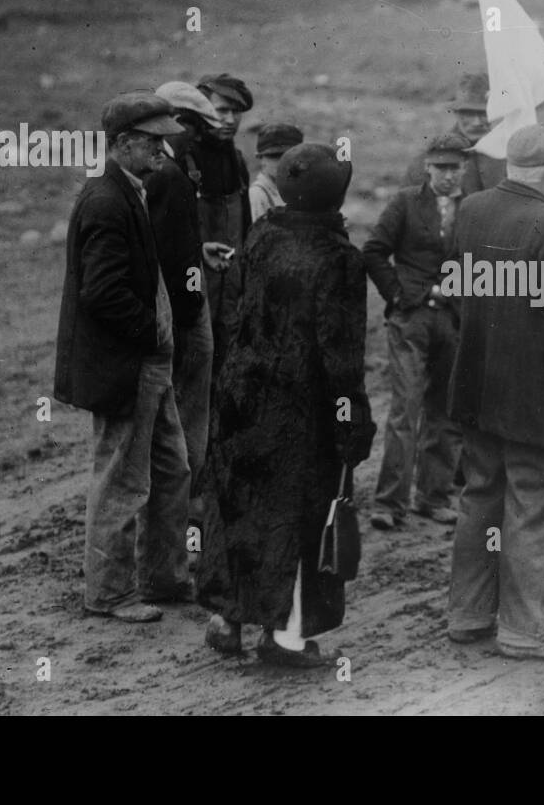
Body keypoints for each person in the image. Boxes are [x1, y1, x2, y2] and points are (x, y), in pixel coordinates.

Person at [196, 142, 376, 667]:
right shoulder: (339, 259)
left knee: (237, 508)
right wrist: (352, 425)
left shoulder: (263, 234)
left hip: (241, 396)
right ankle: (284, 639)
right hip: (302, 414)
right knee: (295, 521)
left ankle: (226, 618)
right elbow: (340, 357)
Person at [447, 124, 544, 661]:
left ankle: (468, 614)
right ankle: (525, 630)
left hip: (478, 391)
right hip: (535, 399)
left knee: (480, 499)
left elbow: (457, 293)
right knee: (531, 508)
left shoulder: (471, 210)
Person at [53, 90, 193, 622]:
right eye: (152, 140)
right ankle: (109, 594)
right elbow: (102, 292)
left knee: (173, 468)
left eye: (163, 137)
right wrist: (152, 334)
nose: (163, 147)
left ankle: (165, 578)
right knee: (121, 480)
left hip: (146, 365)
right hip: (130, 367)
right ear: (121, 145)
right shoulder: (108, 201)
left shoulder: (130, 190)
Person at [363, 133, 470, 530]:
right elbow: (373, 251)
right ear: (427, 167)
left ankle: (434, 497)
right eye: (440, 167)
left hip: (453, 321)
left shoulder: (472, 210)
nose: (447, 175)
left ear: (465, 168)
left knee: (445, 411)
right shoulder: (406, 202)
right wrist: (399, 295)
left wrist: (461, 298)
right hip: (411, 319)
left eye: (454, 167)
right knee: (405, 410)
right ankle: (389, 504)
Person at [147, 82, 234, 554]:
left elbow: (171, 242)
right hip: (178, 320)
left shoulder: (170, 172)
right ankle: (181, 534)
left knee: (183, 430)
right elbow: (160, 251)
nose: (187, 136)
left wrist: (197, 252)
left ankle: (183, 528)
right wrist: (185, 317)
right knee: (181, 432)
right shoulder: (169, 176)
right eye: (188, 126)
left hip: (178, 314)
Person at [182, 73, 255, 380]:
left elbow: (247, 228)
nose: (229, 120)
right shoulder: (184, 159)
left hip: (231, 290)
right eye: (221, 110)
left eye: (235, 112)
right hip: (194, 288)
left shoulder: (236, 161)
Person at [405, 73, 506, 194]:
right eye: (468, 113)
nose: (476, 122)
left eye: (484, 113)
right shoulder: (429, 158)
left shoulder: (510, 153)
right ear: (457, 113)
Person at [249, 123, 304, 219]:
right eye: (274, 156)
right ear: (260, 158)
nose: (282, 163)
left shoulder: (298, 187)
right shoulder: (258, 194)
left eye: (288, 156)